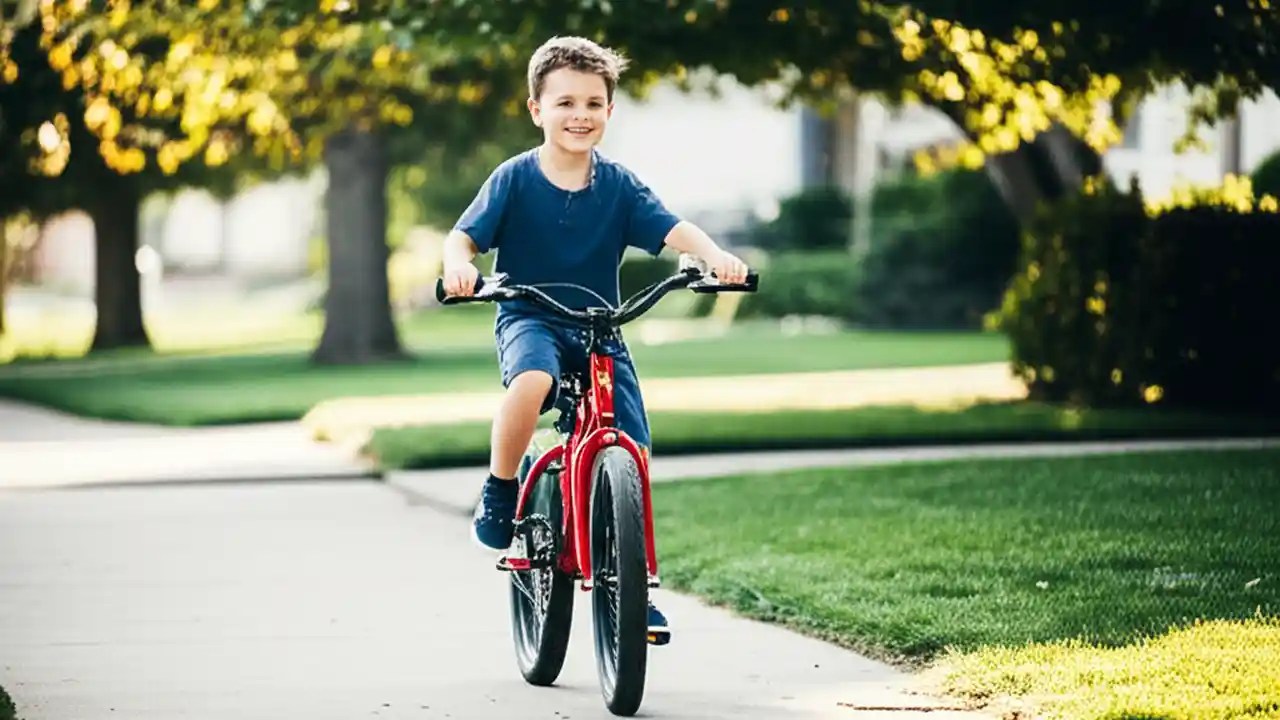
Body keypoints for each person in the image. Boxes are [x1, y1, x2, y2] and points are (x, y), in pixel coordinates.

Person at [440, 35, 749, 643]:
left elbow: (671, 228)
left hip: (599, 324)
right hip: (530, 314)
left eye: (593, 103)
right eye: (564, 103)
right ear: (536, 109)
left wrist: (715, 255)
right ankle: (502, 490)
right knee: (533, 380)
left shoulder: (618, 185)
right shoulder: (514, 179)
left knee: (631, 447)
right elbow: (463, 238)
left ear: (609, 111)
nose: (579, 114)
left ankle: (636, 588)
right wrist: (460, 268)